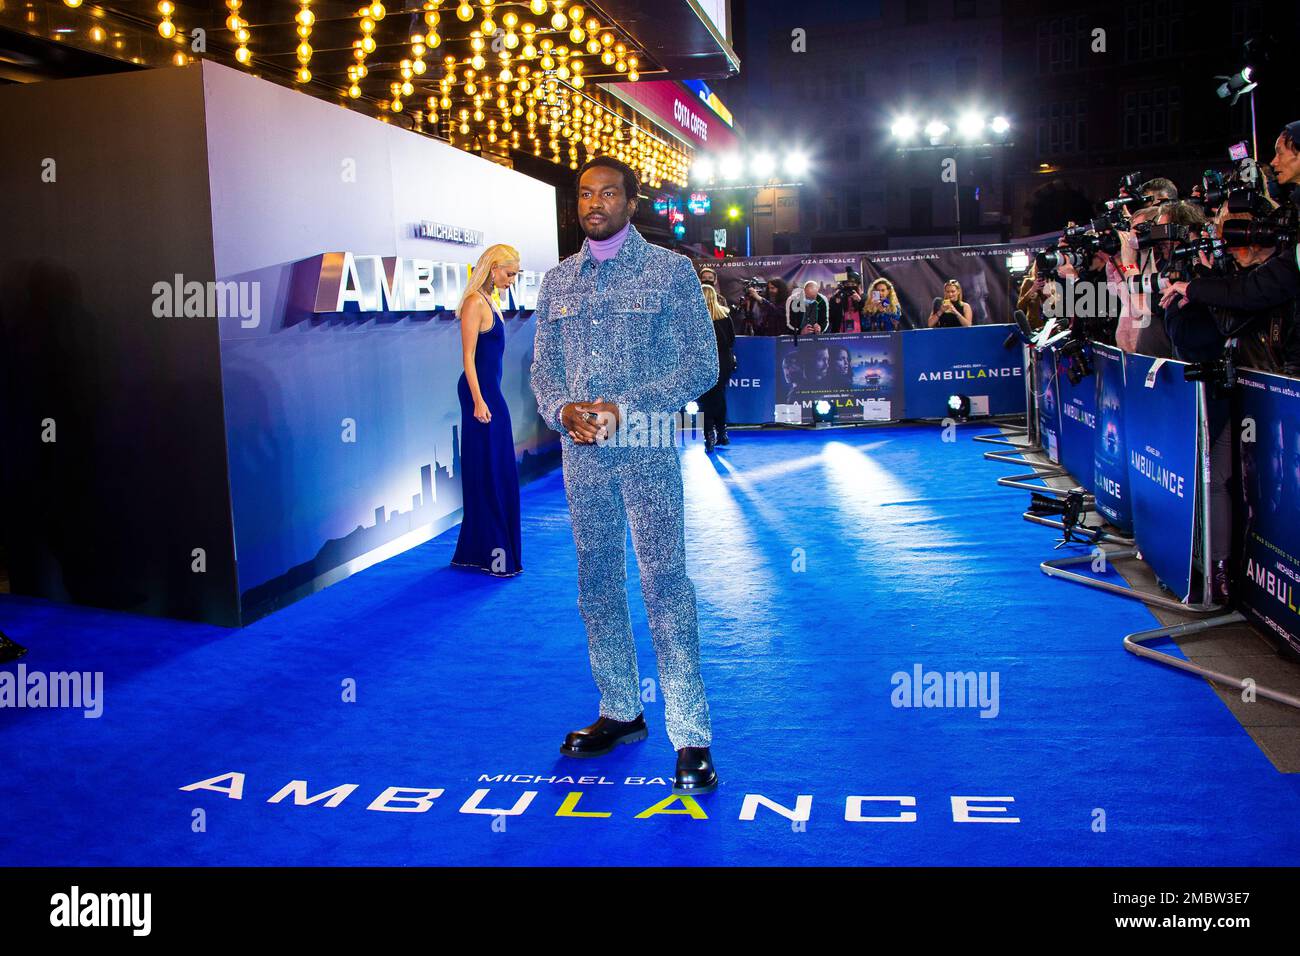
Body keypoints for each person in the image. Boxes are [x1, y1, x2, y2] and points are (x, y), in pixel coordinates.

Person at [529, 155, 720, 796]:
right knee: (597, 584)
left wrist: (626, 408)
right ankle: (621, 710)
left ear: (631, 203)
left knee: (665, 585)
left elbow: (702, 365)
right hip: (582, 457)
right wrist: (563, 410)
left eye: (609, 193)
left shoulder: (670, 272)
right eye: (585, 193)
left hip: (646, 449)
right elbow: (543, 372)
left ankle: (691, 734)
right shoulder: (557, 282)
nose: (595, 203)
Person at [451, 244, 524, 577]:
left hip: (491, 393)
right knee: (489, 470)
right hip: (480, 395)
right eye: (509, 273)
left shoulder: (491, 302)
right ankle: (489, 553)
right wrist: (479, 401)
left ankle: (484, 551)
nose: (511, 280)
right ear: (493, 268)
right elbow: (468, 357)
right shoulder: (473, 304)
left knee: (497, 469)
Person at [699, 278, 735, 452]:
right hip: (723, 362)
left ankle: (709, 435)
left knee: (705, 400)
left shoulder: (695, 318)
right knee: (719, 396)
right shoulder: (725, 315)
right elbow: (731, 340)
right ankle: (722, 432)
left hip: (703, 362)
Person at [829, 269, 865, 333]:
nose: (850, 286)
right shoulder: (836, 297)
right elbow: (831, 317)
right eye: (847, 284)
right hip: (841, 331)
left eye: (853, 284)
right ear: (843, 285)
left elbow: (868, 313)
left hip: (860, 331)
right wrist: (836, 303)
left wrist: (860, 300)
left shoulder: (863, 297)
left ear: (858, 285)